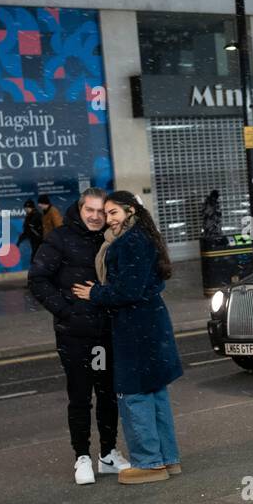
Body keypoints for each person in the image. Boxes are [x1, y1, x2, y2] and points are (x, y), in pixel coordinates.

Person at [73, 192, 182, 483]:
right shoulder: (144, 237)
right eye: (106, 214)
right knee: (156, 393)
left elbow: (128, 291)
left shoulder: (131, 242)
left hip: (136, 328)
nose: (108, 219)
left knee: (133, 394)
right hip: (150, 323)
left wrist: (94, 293)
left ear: (130, 210)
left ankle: (148, 463)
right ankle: (168, 459)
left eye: (113, 213)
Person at [27, 187, 129, 485]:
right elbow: (37, 279)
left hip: (107, 332)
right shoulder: (59, 238)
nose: (96, 217)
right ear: (80, 209)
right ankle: (82, 457)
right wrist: (65, 310)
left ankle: (108, 454)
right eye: (91, 210)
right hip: (74, 333)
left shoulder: (111, 237)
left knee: (109, 395)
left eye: (101, 211)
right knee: (80, 396)